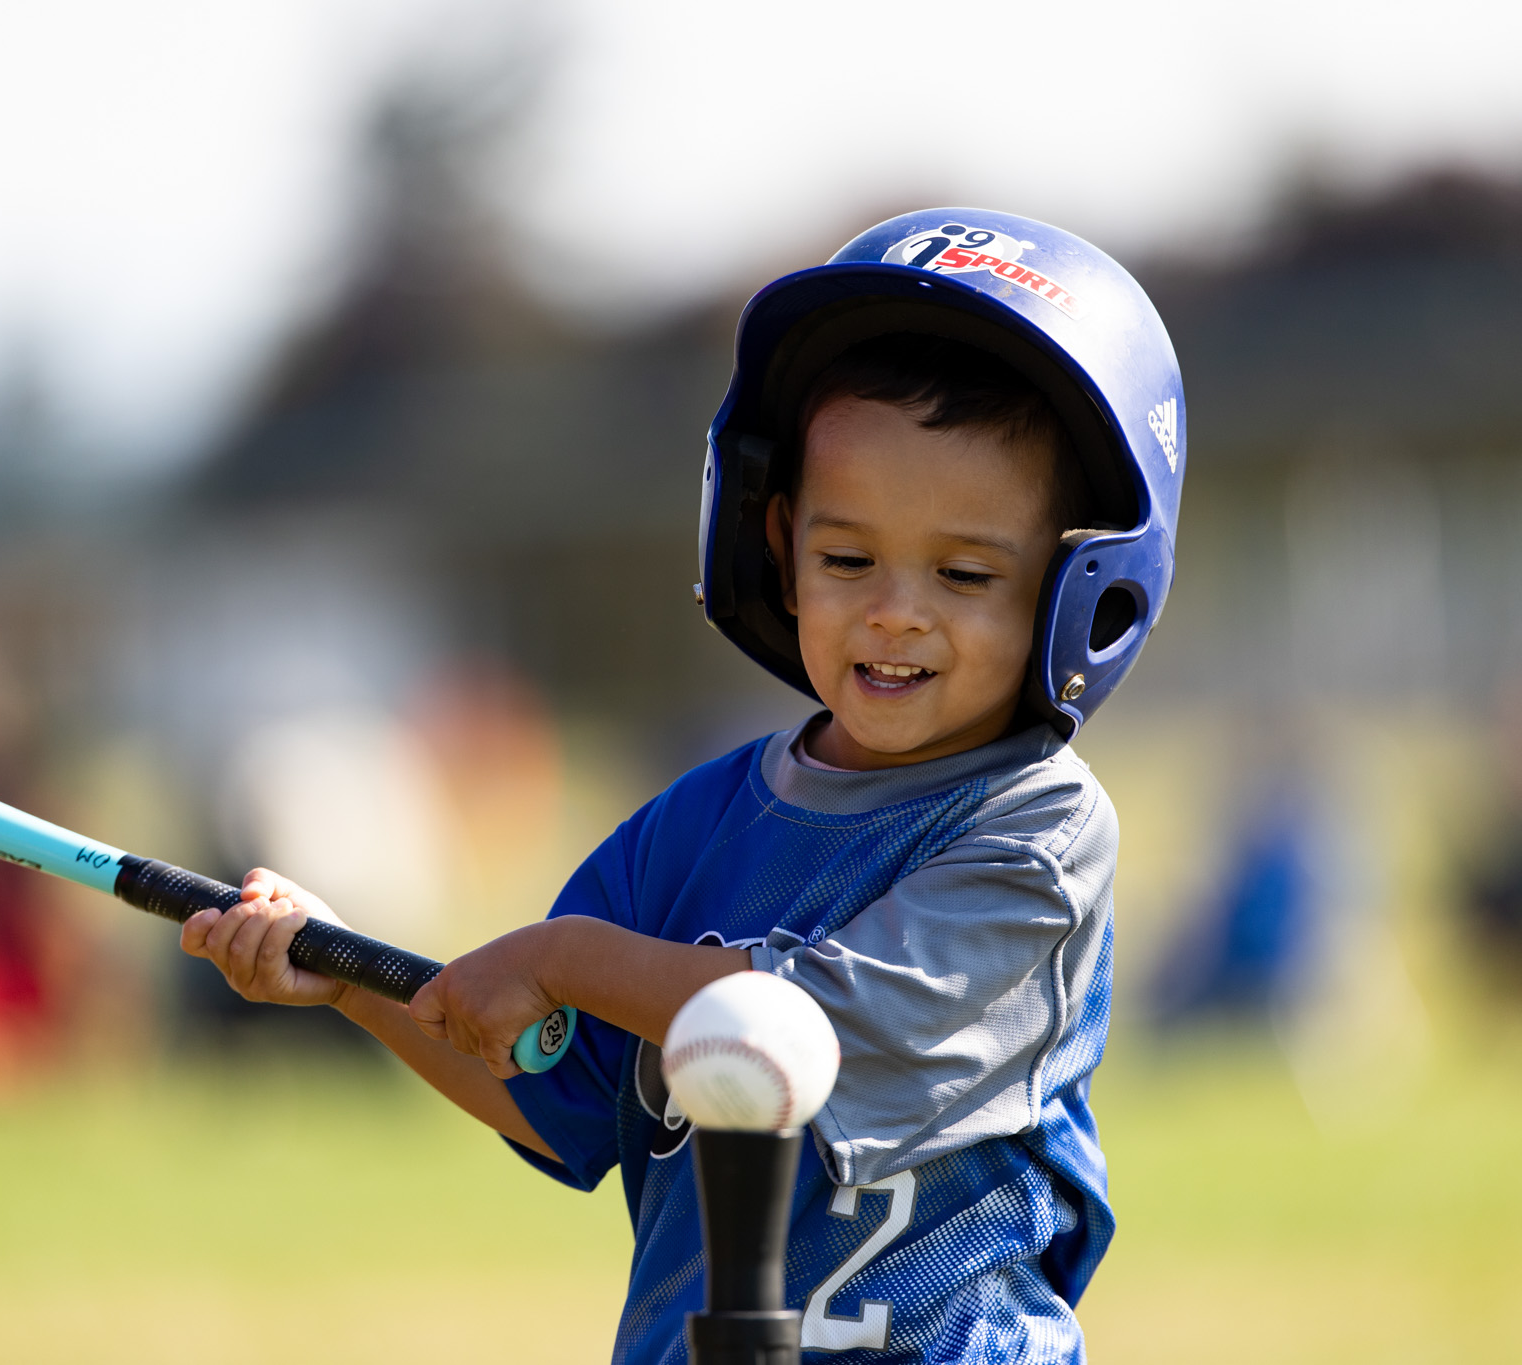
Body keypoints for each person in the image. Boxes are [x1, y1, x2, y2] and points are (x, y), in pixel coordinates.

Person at [184, 209, 1186, 1363]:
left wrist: (560, 958)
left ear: (1082, 585)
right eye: (847, 559)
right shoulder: (695, 826)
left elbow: (801, 1034)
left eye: (964, 572)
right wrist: (344, 968)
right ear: (776, 546)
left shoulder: (1038, 831)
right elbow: (552, 1087)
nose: (895, 610)